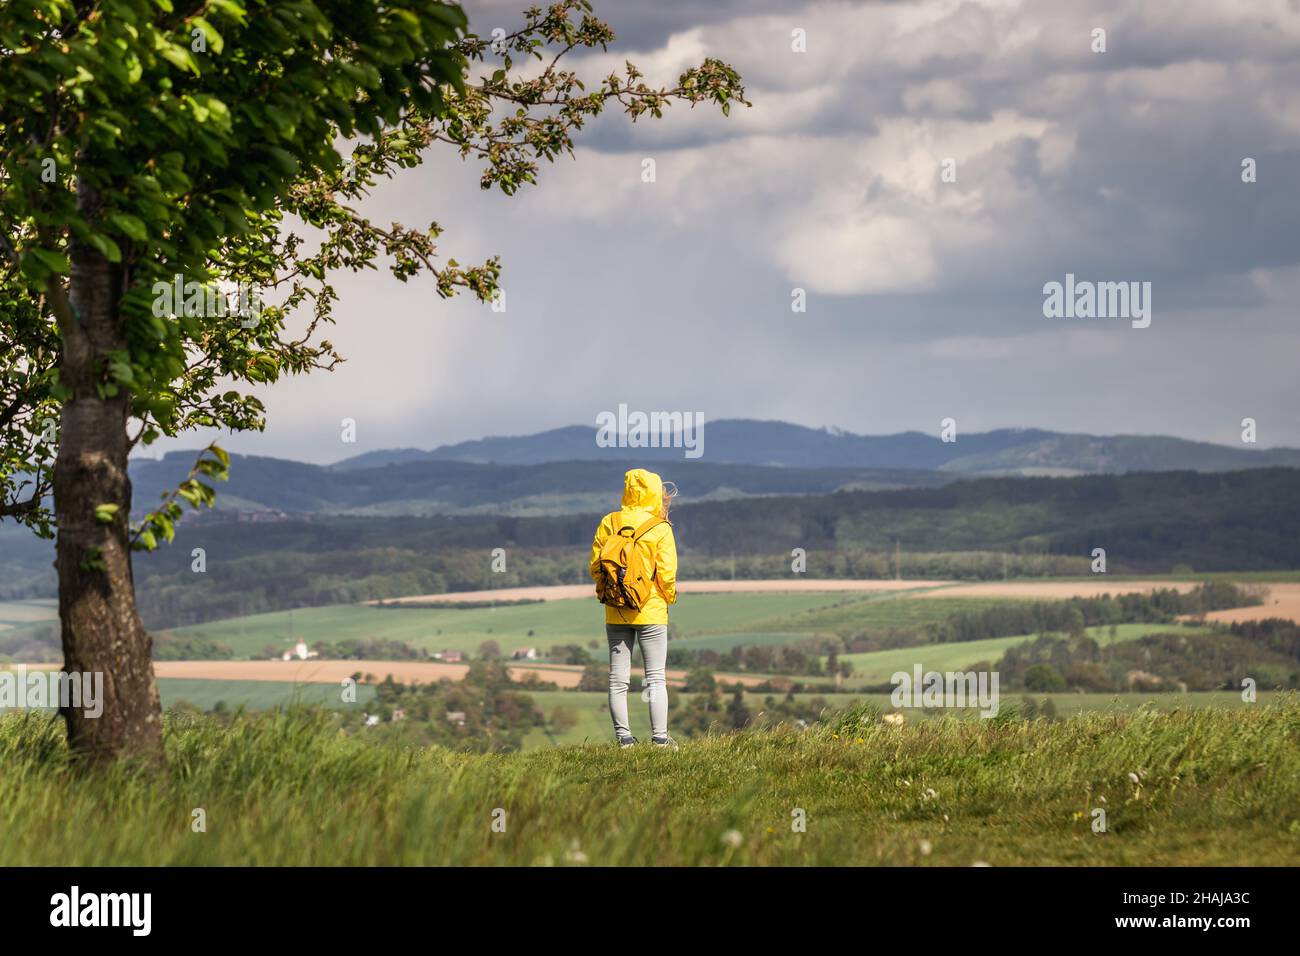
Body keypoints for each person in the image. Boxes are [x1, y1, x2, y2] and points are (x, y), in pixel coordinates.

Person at [589, 468, 678, 748]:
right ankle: (660, 740)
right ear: (654, 493)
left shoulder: (609, 522)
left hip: (615, 610)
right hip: (651, 610)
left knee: (618, 678)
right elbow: (667, 574)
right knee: (655, 678)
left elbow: (595, 567)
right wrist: (667, 599)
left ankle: (624, 740)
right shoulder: (660, 528)